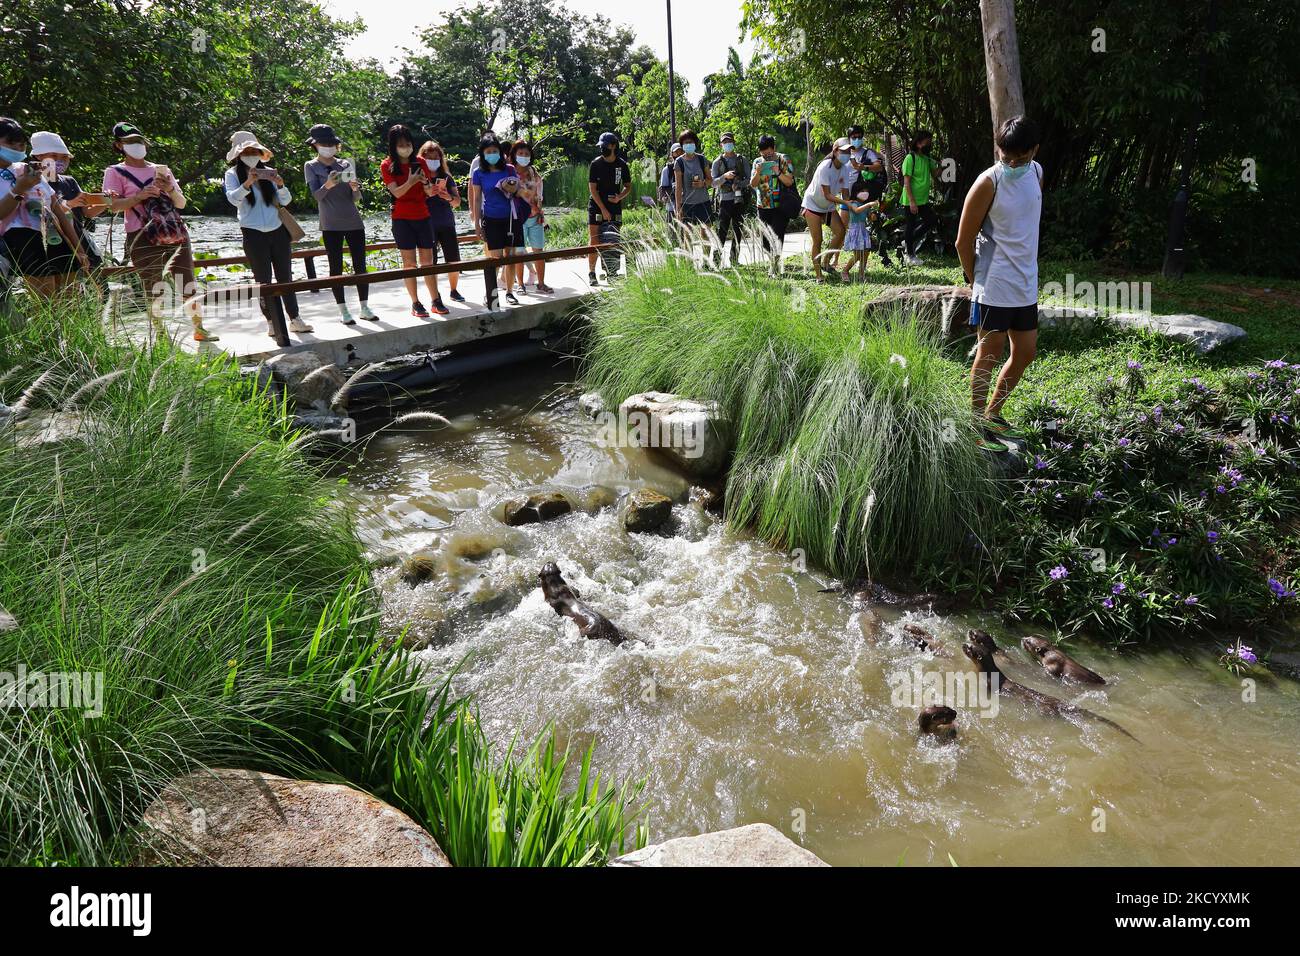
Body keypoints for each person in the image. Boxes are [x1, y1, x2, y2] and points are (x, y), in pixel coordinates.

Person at [956, 115, 1043, 441]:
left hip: (1025, 282)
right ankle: (976, 421)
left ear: (1034, 150)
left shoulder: (1036, 172)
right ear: (999, 150)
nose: (1014, 164)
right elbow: (963, 241)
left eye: (1021, 158)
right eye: (1007, 158)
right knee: (989, 351)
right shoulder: (988, 182)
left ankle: (994, 412)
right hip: (993, 283)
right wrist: (974, 278)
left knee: (1025, 352)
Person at [103, 122, 216, 339]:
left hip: (174, 231)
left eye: (138, 141)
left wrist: (169, 188)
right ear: (118, 145)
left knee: (187, 282)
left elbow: (181, 203)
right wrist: (139, 196)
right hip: (141, 235)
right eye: (129, 142)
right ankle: (160, 333)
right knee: (152, 286)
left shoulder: (161, 169)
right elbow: (113, 207)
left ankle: (199, 328)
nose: (136, 145)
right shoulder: (115, 172)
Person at [224, 131, 310, 345]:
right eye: (246, 152)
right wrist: (247, 184)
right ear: (238, 155)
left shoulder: (268, 173)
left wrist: (280, 184)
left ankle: (295, 318)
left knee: (285, 276)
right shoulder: (233, 174)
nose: (251, 155)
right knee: (262, 280)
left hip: (277, 230)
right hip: (252, 233)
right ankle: (271, 320)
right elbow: (233, 199)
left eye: (254, 151)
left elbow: (286, 200)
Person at [0, 119, 89, 300]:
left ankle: (70, 329)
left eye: (22, 144)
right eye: (10, 143)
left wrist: (78, 248)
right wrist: (19, 189)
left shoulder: (29, 170)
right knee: (45, 300)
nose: (17, 148)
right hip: (22, 240)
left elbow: (57, 209)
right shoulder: (23, 177)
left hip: (53, 235)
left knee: (70, 297)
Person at [303, 123, 375, 325]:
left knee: (360, 265)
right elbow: (317, 196)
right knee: (335, 268)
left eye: (331, 143)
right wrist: (328, 184)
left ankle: (364, 306)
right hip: (330, 224)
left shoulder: (345, 164)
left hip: (353, 221)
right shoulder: (311, 166)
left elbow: (356, 198)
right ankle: (343, 311)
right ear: (315, 145)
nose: (329, 146)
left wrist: (354, 187)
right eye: (324, 143)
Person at [381, 124, 442, 317]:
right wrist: (410, 181)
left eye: (408, 143)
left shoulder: (420, 162)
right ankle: (416, 303)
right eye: (400, 144)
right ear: (393, 146)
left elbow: (429, 192)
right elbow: (396, 192)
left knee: (428, 261)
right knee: (409, 264)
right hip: (402, 219)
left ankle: (436, 299)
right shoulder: (387, 165)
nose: (405, 147)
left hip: (423, 216)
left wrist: (426, 184)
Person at [31, 130, 108, 274]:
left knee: (98, 283)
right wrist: (70, 204)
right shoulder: (34, 182)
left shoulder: (69, 181)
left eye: (64, 157)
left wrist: (106, 200)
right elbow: (43, 213)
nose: (60, 160)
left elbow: (87, 212)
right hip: (54, 243)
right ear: (38, 156)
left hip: (79, 239)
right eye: (54, 156)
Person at [470, 136, 519, 308]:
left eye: (495, 151)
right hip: (491, 218)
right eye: (488, 152)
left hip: (510, 218)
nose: (492, 154)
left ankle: (510, 292)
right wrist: (477, 224)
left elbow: (517, 190)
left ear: (501, 152)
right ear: (482, 154)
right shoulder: (478, 173)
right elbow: (476, 200)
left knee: (510, 256)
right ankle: (491, 293)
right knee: (495, 258)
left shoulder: (510, 169)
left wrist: (510, 186)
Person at [416, 139, 465, 305]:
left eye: (436, 157)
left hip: (446, 223)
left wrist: (448, 197)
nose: (432, 160)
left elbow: (458, 202)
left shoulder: (446, 177)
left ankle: (454, 290)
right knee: (430, 262)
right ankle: (434, 295)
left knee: (453, 259)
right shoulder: (419, 177)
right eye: (429, 157)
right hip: (426, 223)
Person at [800, 138, 854, 280]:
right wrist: (846, 203)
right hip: (813, 205)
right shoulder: (825, 167)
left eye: (849, 151)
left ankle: (826, 261)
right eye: (844, 151)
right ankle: (819, 275)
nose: (847, 154)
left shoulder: (844, 169)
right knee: (818, 240)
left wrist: (853, 204)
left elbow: (845, 192)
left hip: (828, 207)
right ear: (835, 151)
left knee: (841, 232)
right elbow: (828, 194)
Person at [587, 131, 630, 286]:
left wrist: (620, 197)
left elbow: (628, 186)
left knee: (612, 240)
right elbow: (592, 189)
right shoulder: (595, 164)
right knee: (595, 240)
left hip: (615, 207)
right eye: (601, 146)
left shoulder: (622, 164)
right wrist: (603, 209)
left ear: (613, 146)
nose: (602, 149)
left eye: (605, 146)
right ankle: (592, 273)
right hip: (596, 206)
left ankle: (611, 271)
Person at [509, 140, 551, 294]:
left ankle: (541, 283)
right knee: (519, 253)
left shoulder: (533, 171)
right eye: (520, 153)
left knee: (538, 251)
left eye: (527, 154)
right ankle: (520, 285)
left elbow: (539, 193)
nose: (524, 156)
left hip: (535, 218)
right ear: (514, 154)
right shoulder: (510, 171)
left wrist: (540, 211)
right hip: (518, 219)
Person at [749, 134, 795, 267]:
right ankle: (771, 261)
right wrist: (758, 172)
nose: (767, 156)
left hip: (780, 205)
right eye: (764, 154)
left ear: (774, 148)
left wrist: (778, 172)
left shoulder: (783, 159)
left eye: (769, 153)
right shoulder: (757, 162)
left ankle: (774, 266)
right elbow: (753, 184)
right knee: (765, 240)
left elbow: (789, 182)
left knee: (777, 236)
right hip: (763, 206)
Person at [902, 129, 940, 265]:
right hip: (911, 200)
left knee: (932, 220)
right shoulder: (910, 158)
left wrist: (944, 164)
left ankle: (908, 241)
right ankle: (910, 255)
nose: (929, 145)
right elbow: (906, 182)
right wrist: (912, 202)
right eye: (927, 142)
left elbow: (936, 174)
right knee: (911, 225)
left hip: (923, 200)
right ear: (918, 144)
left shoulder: (927, 159)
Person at [712, 131, 751, 264]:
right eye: (725, 142)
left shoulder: (742, 159)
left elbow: (750, 179)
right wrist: (725, 176)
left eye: (729, 142)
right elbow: (713, 182)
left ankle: (734, 260)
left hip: (739, 200)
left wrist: (739, 184)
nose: (727, 144)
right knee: (721, 231)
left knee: (737, 230)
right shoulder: (717, 162)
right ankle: (716, 261)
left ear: (734, 143)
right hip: (724, 200)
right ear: (721, 145)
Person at [673, 129, 713, 244]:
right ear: (682, 145)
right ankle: (689, 262)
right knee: (688, 238)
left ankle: (705, 262)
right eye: (685, 143)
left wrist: (703, 183)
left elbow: (711, 180)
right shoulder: (679, 162)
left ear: (695, 143)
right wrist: (678, 207)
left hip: (703, 202)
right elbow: (678, 187)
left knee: (706, 236)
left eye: (690, 142)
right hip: (687, 204)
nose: (688, 145)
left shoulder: (702, 159)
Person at [837, 189, 879, 281]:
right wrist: (869, 204)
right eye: (862, 191)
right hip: (855, 230)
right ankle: (845, 271)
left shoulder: (866, 206)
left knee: (865, 253)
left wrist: (873, 215)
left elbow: (870, 217)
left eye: (866, 191)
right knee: (858, 254)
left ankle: (861, 275)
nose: (865, 193)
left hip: (863, 230)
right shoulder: (853, 203)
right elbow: (856, 210)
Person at [658, 142, 683, 220]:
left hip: (686, 206)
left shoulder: (687, 167)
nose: (678, 154)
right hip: (671, 207)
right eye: (676, 152)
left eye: (680, 152)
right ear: (672, 154)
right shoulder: (667, 170)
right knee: (672, 230)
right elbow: (663, 189)